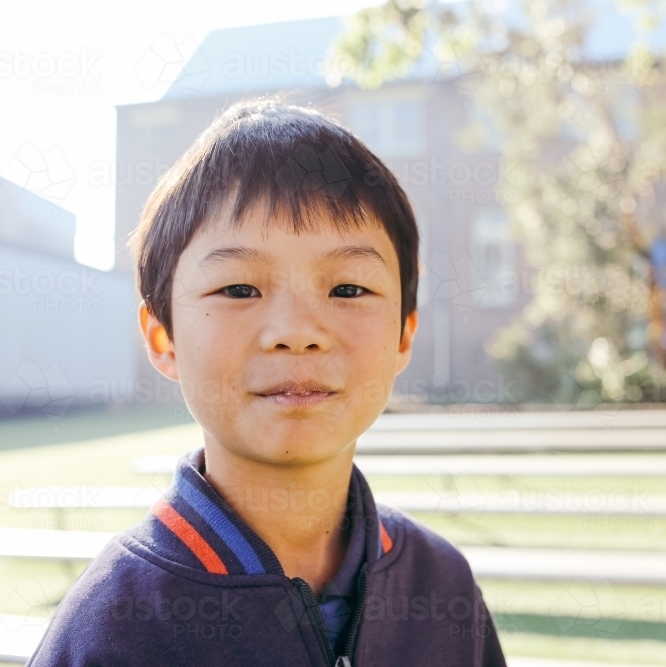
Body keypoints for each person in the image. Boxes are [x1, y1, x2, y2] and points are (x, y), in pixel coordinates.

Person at [27, 98, 507, 667]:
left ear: (404, 332)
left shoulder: (441, 584)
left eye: (348, 289)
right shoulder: (112, 628)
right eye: (239, 289)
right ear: (163, 337)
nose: (297, 333)